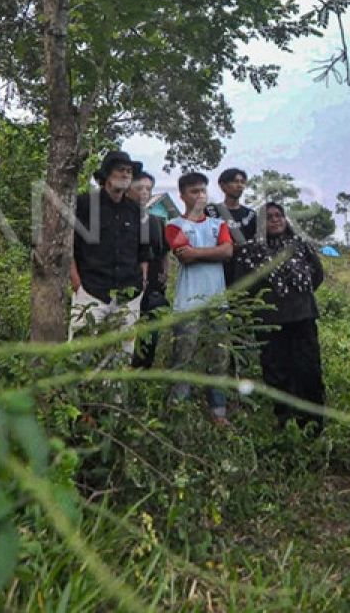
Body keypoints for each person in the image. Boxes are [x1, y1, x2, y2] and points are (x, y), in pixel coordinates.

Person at [232, 201, 326, 433]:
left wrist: (297, 296)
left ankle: (313, 424)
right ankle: (284, 421)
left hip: (302, 318)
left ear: (286, 220)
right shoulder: (249, 251)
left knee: (308, 370)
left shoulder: (300, 246)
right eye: (269, 217)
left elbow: (317, 275)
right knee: (276, 372)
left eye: (279, 216)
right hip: (268, 323)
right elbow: (242, 286)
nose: (275, 220)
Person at [165, 172, 234, 424]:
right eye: (194, 191)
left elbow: (228, 251)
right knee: (183, 357)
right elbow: (184, 256)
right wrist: (211, 251)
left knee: (219, 357)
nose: (200, 196)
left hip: (217, 304)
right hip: (188, 303)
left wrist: (198, 252)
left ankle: (218, 412)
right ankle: (178, 411)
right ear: (182, 195)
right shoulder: (174, 225)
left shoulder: (218, 225)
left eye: (203, 191)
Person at [69, 150, 150, 362]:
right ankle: (78, 394)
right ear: (106, 174)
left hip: (129, 295)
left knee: (121, 356)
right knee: (79, 354)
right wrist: (77, 285)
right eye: (120, 170)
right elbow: (68, 247)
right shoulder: (84, 204)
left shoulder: (136, 211)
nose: (125, 174)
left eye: (129, 171)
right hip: (91, 291)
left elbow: (143, 253)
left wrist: (141, 284)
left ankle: (114, 396)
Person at [127, 169, 170, 369]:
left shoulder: (157, 222)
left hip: (152, 290)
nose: (144, 192)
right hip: (123, 288)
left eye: (149, 188)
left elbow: (164, 252)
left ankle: (141, 378)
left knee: (148, 339)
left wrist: (165, 273)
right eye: (139, 187)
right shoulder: (119, 220)